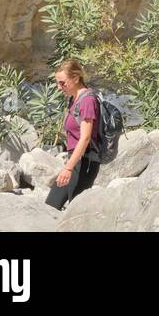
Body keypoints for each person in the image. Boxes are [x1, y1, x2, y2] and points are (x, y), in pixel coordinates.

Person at [46, 59, 101, 210]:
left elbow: (85, 138)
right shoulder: (74, 99)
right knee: (50, 205)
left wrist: (68, 168)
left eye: (62, 83)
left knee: (75, 211)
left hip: (86, 162)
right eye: (57, 83)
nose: (59, 87)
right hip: (76, 160)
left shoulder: (87, 100)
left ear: (76, 78)